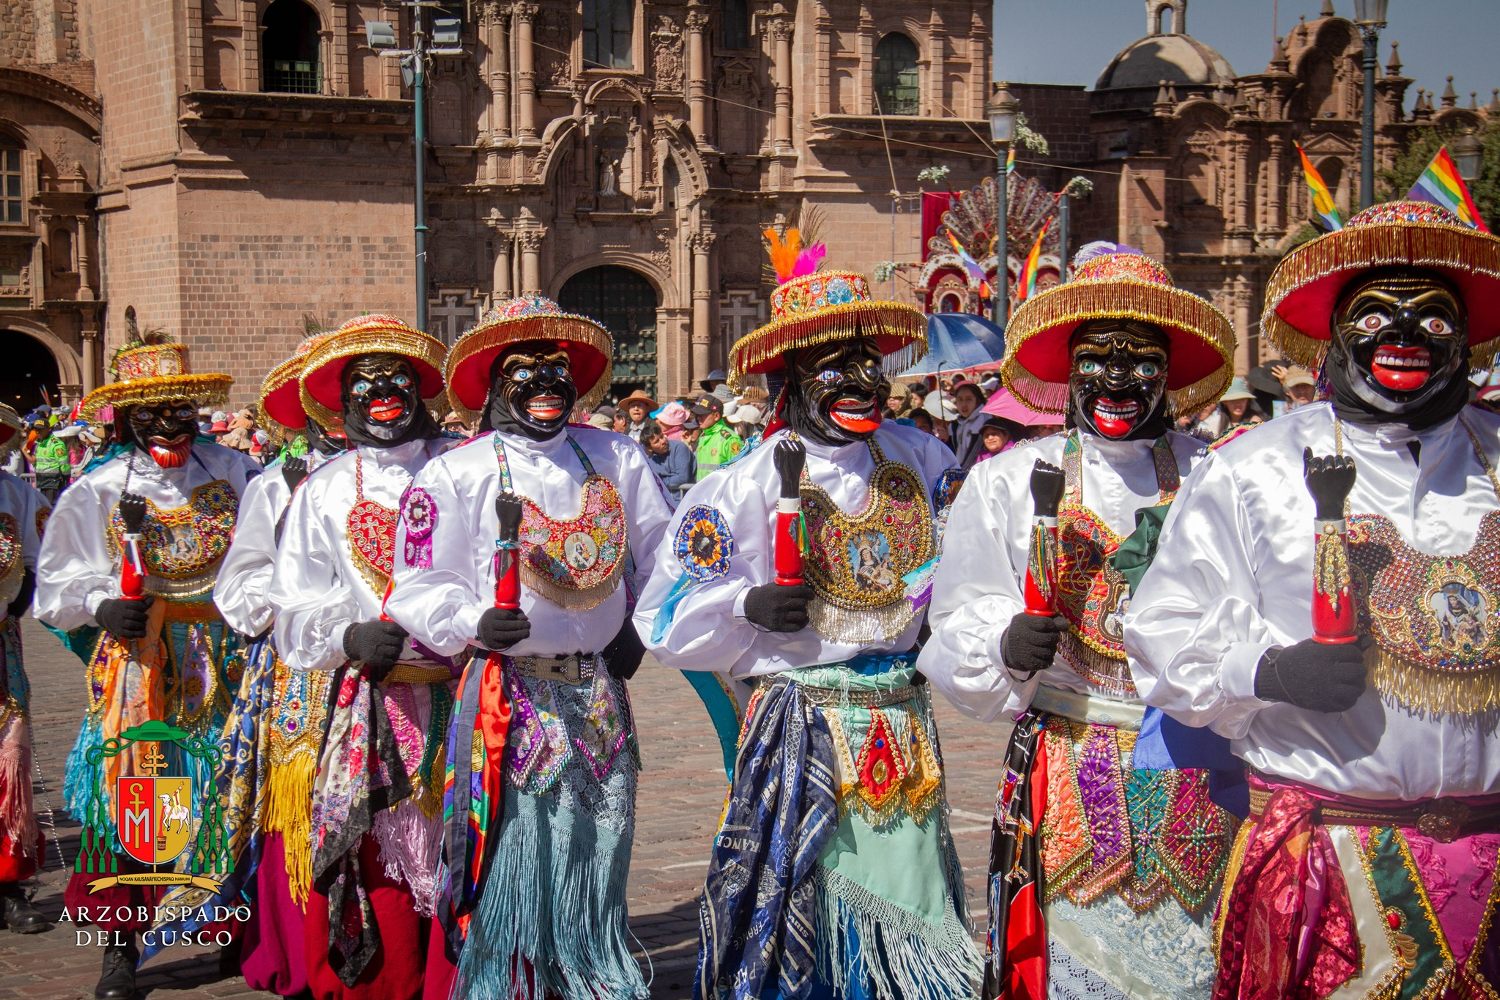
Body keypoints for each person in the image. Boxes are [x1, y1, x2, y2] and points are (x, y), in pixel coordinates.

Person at [1125, 202, 1500, 998]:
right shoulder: (1253, 469)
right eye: (1376, 315)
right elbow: (1163, 629)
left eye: (1433, 317)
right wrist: (1268, 671)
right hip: (1333, 868)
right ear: (1334, 335)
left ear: (1467, 338)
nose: (1404, 334)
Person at [637, 256, 980, 1000]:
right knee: (807, 900)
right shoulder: (740, 484)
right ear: (790, 379)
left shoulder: (921, 456)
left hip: (902, 721)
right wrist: (746, 604)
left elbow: (968, 556)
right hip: (805, 723)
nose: (859, 381)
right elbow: (663, 617)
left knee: (913, 897)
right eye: (834, 367)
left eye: (867, 364)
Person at [921, 242, 1239, 999]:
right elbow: (958, 611)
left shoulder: (1220, 476)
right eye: (1097, 359)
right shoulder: (1006, 482)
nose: (1118, 381)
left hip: (1196, 761)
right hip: (1068, 758)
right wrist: (1002, 641)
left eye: (1141, 361)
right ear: (1068, 370)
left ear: (1170, 372)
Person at [385, 295, 670, 1000]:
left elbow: (665, 553)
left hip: (597, 692)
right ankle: (515, 980)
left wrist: (639, 622)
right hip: (508, 697)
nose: (546, 383)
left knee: (601, 838)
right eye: (525, 370)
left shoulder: (617, 456)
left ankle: (591, 971)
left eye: (557, 369)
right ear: (491, 385)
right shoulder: (454, 474)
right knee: (517, 846)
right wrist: (474, 621)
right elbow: (415, 585)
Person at [35, 324, 256, 1000]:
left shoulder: (236, 471)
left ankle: (235, 926)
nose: (169, 425)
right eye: (152, 412)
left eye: (180, 409)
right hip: (143, 663)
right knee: (140, 795)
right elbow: (56, 582)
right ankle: (118, 945)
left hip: (229, 657)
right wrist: (101, 604)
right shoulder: (97, 488)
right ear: (128, 417)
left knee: (234, 791)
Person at [153, 334, 350, 994]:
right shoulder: (276, 485)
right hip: (302, 675)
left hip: (393, 673)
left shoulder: (416, 473)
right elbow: (240, 588)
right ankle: (299, 947)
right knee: (298, 809)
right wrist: (307, 601)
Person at [267, 315, 453, 1000]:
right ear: (343, 402)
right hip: (378, 705)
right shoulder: (323, 490)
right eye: (365, 386)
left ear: (420, 391)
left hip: (475, 699)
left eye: (397, 381)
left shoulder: (465, 468)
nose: (383, 396)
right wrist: (347, 634)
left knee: (475, 852)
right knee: (385, 864)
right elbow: (291, 606)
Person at [0, 403, 48, 936]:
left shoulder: (15, 493)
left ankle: (7, 883)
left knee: (6, 754)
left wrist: (19, 599)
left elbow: (37, 560)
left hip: (0, 642)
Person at [641, 420, 695, 504]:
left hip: (683, 501)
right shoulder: (650, 458)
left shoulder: (679, 448)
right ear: (650, 448)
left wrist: (660, 482)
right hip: (664, 503)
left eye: (662, 436)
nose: (663, 441)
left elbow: (682, 477)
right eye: (657, 441)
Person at [1193, 376, 1262, 440]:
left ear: (1247, 401)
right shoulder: (1216, 421)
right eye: (1233, 400)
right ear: (1225, 402)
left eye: (1242, 400)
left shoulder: (1255, 422)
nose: (1238, 404)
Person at [692, 395, 742, 480]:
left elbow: (738, 471)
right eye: (697, 415)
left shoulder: (730, 439)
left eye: (702, 415)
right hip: (703, 487)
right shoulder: (703, 436)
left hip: (721, 488)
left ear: (716, 416)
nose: (698, 418)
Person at [25, 413, 70, 504]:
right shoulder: (39, 444)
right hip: (42, 480)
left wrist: (65, 477)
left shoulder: (56, 444)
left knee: (50, 506)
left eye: (40, 430)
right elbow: (36, 461)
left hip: (53, 481)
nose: (37, 432)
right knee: (44, 506)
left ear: (48, 429)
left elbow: (63, 463)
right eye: (36, 429)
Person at [949, 380, 990, 467]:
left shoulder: (985, 421)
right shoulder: (955, 424)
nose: (964, 404)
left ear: (977, 400)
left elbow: (974, 453)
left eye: (969, 399)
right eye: (960, 399)